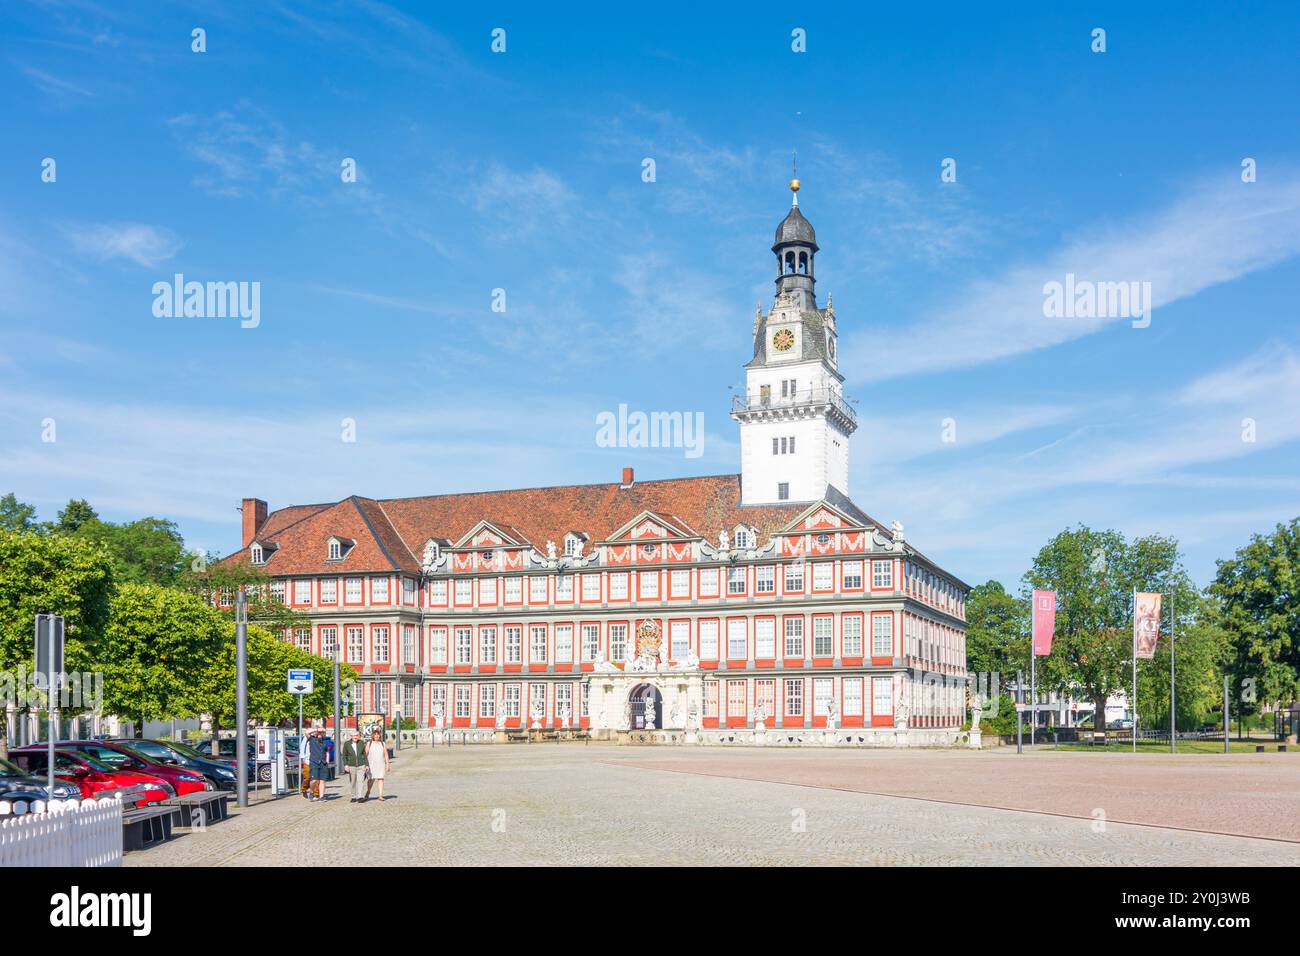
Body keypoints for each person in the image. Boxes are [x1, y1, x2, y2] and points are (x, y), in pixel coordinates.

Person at [364, 729, 390, 802]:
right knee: (371, 779)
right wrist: (365, 764)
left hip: (381, 764)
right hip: (371, 764)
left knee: (381, 778)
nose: (376, 736)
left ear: (380, 735)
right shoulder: (369, 743)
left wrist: (387, 764)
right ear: (372, 735)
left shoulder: (383, 743)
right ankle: (368, 791)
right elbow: (365, 754)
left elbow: (386, 754)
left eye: (378, 734)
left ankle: (380, 795)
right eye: (375, 734)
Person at [341, 729, 366, 803]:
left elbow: (364, 754)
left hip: (361, 765)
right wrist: (346, 765)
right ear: (351, 736)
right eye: (354, 735)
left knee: (361, 781)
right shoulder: (347, 744)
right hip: (351, 765)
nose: (355, 737)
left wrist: (366, 765)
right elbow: (344, 755)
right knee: (353, 781)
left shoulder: (361, 743)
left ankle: (360, 796)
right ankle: (353, 796)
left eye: (357, 735)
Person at [307, 727, 330, 802]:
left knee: (322, 780)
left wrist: (327, 760)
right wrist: (316, 730)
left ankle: (321, 797)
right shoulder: (312, 739)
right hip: (314, 762)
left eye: (322, 733)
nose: (320, 734)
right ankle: (311, 792)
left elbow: (327, 752)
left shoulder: (325, 742)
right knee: (314, 780)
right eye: (319, 733)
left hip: (323, 763)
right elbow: (306, 732)